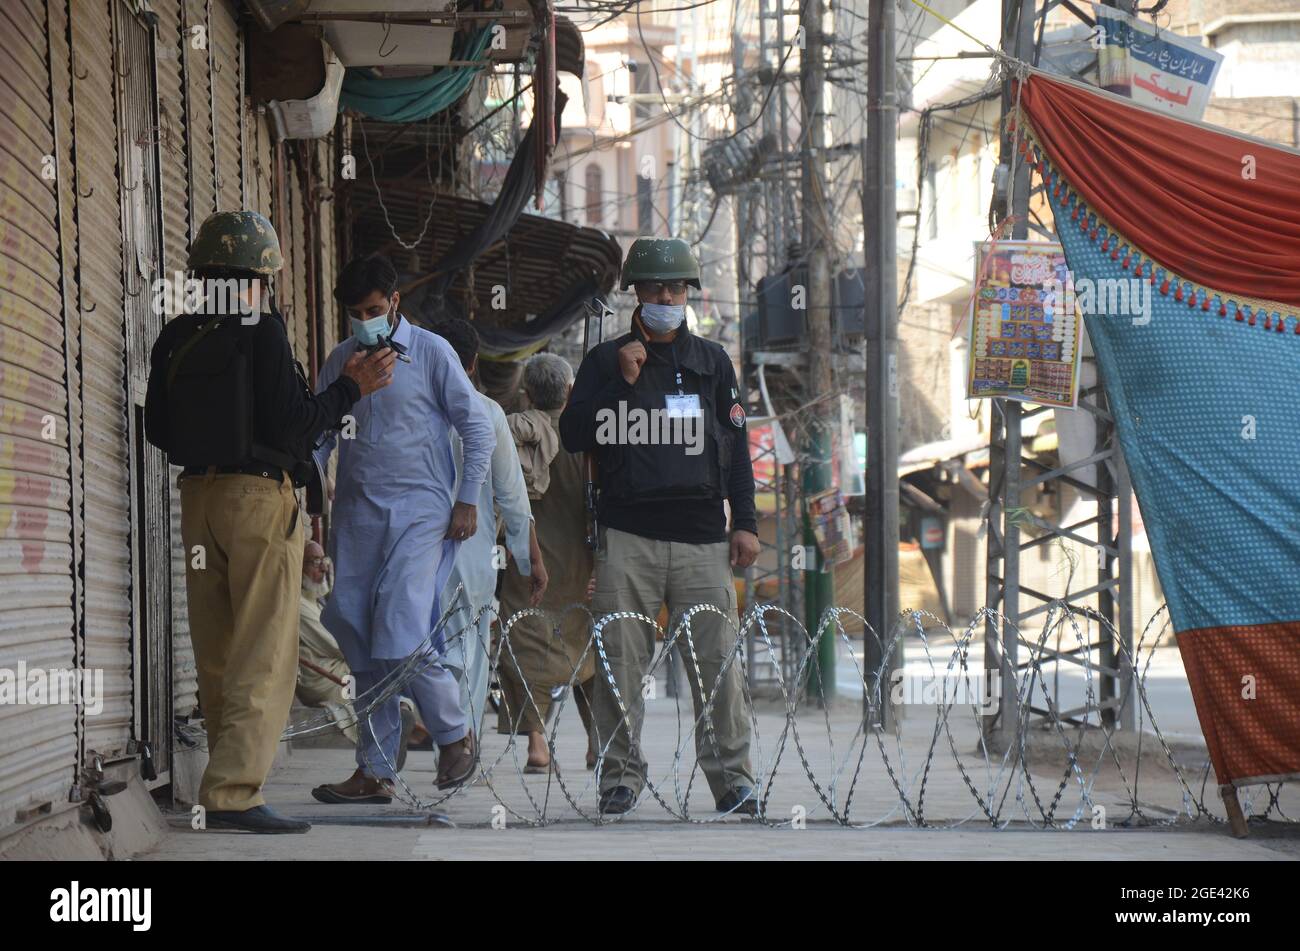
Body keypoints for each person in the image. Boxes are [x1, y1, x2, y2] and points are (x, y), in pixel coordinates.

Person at [144, 210, 393, 833]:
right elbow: (296, 424)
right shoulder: (263, 331)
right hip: (258, 501)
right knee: (265, 650)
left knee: (219, 648)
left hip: (197, 500)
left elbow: (157, 428)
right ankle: (234, 795)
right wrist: (350, 390)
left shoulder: (175, 333)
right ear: (263, 275)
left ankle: (219, 786)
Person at [559, 236, 762, 816]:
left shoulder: (713, 363)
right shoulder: (604, 361)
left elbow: (736, 448)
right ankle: (619, 777)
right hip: (628, 535)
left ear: (688, 293)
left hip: (702, 537)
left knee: (718, 667)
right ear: (636, 294)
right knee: (621, 663)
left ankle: (733, 780)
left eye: (676, 287)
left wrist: (743, 523)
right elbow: (573, 438)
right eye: (655, 287)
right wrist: (618, 385)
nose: (666, 296)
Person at [310, 254, 495, 805]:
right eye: (354, 313)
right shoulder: (342, 361)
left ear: (394, 303)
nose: (364, 321)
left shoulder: (435, 353)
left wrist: (467, 501)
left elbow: (477, 427)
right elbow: (320, 434)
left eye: (372, 309)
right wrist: (306, 494)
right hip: (357, 518)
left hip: (422, 515)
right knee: (358, 634)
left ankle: (455, 734)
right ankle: (375, 771)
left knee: (400, 624)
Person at [432, 318, 547, 735]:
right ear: (475, 362)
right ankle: (461, 744)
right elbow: (514, 499)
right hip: (472, 559)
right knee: (468, 657)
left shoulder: (412, 407)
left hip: (414, 555)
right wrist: (529, 559)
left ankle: (408, 738)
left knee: (415, 648)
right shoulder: (487, 412)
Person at [497, 353, 598, 772]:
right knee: (589, 652)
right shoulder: (586, 439)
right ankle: (597, 743)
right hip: (583, 568)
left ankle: (537, 743)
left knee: (525, 647)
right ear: (570, 391)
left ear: (526, 394)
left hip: (528, 563)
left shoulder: (517, 436)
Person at [296, 541, 358, 744]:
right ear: (298, 566)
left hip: (335, 669)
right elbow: (337, 646)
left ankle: (400, 720)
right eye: (315, 562)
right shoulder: (298, 605)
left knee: (372, 673)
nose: (323, 568)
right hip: (320, 680)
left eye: (324, 561)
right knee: (366, 675)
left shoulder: (314, 600)